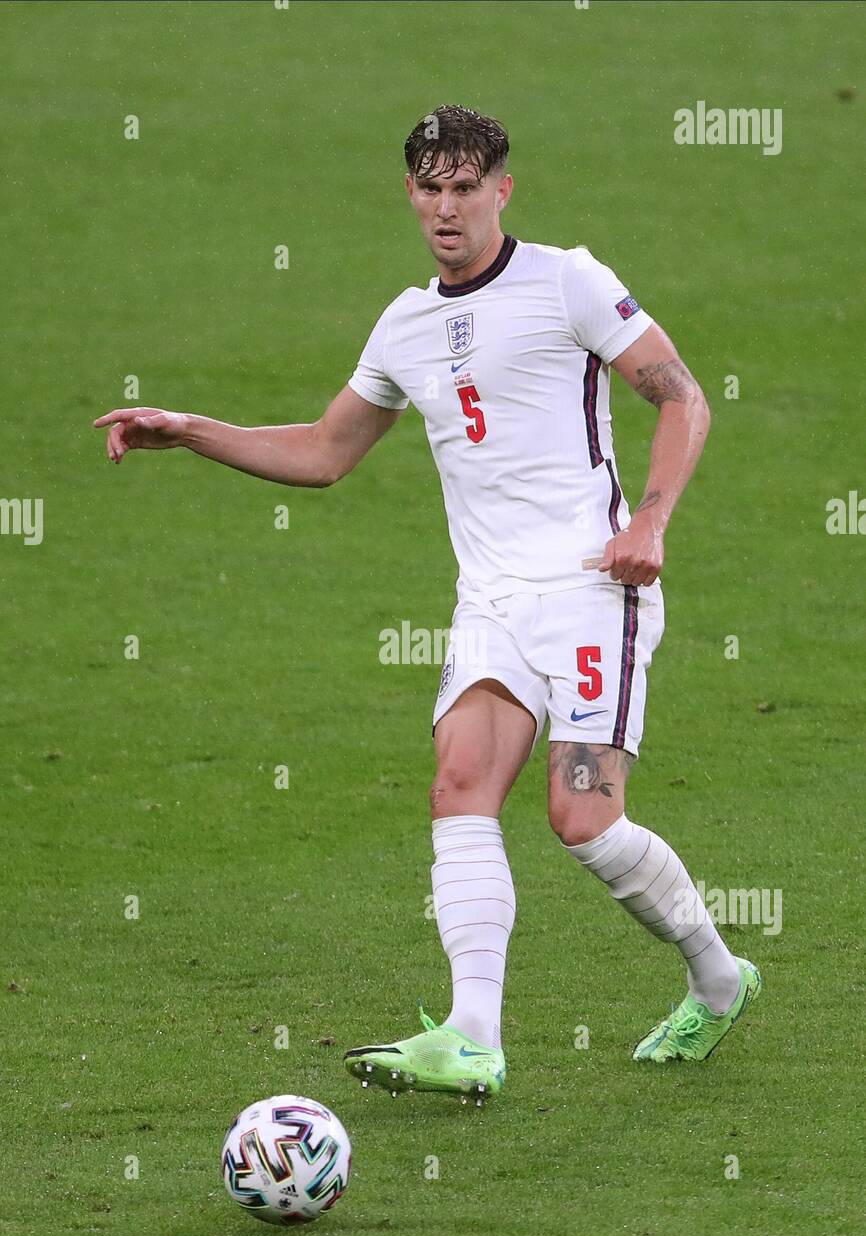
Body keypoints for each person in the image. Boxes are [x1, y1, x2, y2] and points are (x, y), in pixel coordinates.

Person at [94, 104, 761, 1107]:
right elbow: (324, 452)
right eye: (428, 188)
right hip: (489, 602)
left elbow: (679, 396)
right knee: (458, 787)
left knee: (580, 820)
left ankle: (716, 976)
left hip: (592, 589)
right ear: (408, 194)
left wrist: (650, 523)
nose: (446, 209)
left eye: (464, 187)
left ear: (501, 189)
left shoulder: (566, 280)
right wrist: (190, 429)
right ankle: (472, 1036)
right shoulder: (404, 325)